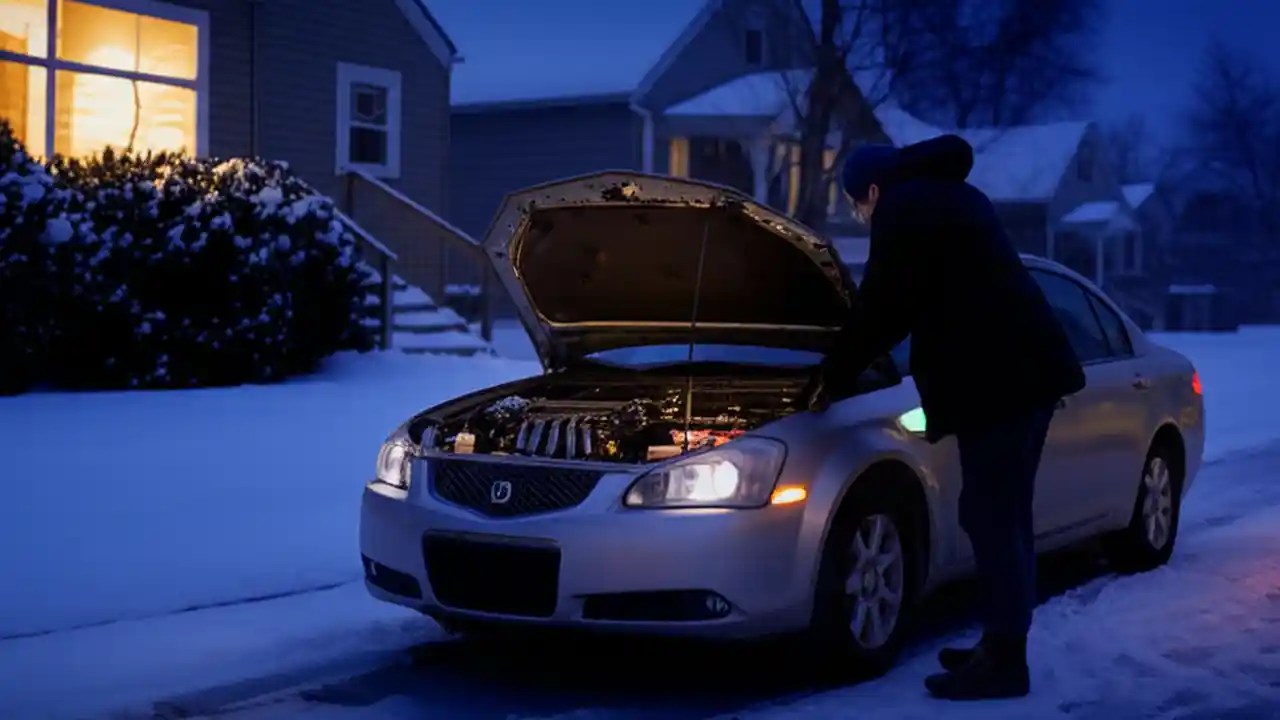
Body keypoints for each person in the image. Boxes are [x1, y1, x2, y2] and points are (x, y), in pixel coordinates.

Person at [805, 134, 1086, 700]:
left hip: (1003, 382)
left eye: (859, 204)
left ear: (874, 190)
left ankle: (1005, 661)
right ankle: (1002, 642)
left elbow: (884, 309)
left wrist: (831, 377)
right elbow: (921, 300)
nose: (862, 216)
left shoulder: (906, 211)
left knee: (990, 515)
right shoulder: (948, 197)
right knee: (1003, 514)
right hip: (1027, 374)